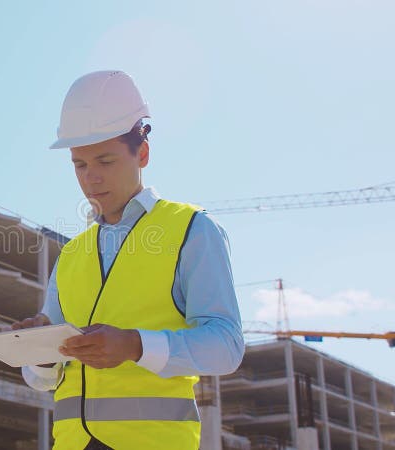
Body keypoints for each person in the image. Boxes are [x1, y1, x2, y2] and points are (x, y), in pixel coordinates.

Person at [12, 70, 245, 450]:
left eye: (105, 161)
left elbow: (226, 346)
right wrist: (38, 349)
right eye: (80, 165)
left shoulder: (192, 230)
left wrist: (135, 346)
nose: (92, 179)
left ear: (143, 153)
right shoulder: (71, 254)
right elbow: (41, 380)